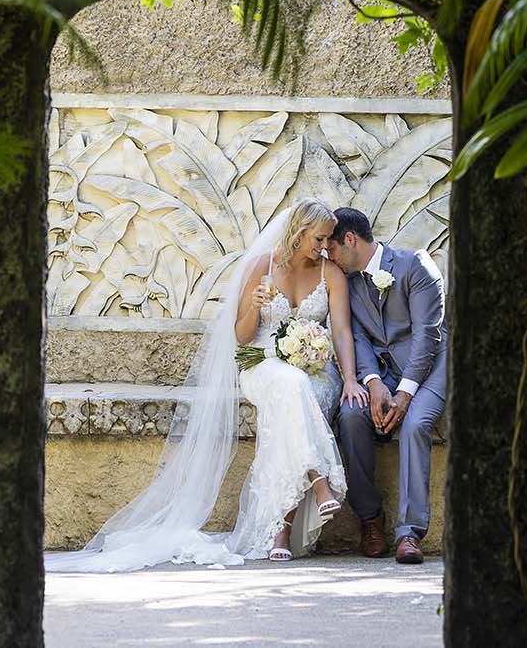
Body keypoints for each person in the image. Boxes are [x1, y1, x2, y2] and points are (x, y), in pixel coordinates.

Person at [44, 198, 361, 570]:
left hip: (314, 372)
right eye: (319, 239)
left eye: (327, 241)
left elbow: (340, 330)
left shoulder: (331, 274)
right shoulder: (263, 266)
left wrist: (351, 379)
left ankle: (281, 531)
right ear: (299, 232)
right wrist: (256, 306)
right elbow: (242, 337)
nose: (324, 247)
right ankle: (318, 480)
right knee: (289, 386)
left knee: (293, 393)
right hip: (261, 364)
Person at [323, 206, 448, 565]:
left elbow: (428, 335)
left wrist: (405, 394)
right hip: (381, 371)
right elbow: (356, 335)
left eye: (331, 250)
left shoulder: (416, 266)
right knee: (351, 414)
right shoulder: (346, 281)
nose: (329, 258)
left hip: (431, 367)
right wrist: (373, 383)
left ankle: (410, 533)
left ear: (349, 240)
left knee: (414, 425)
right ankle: (370, 519)